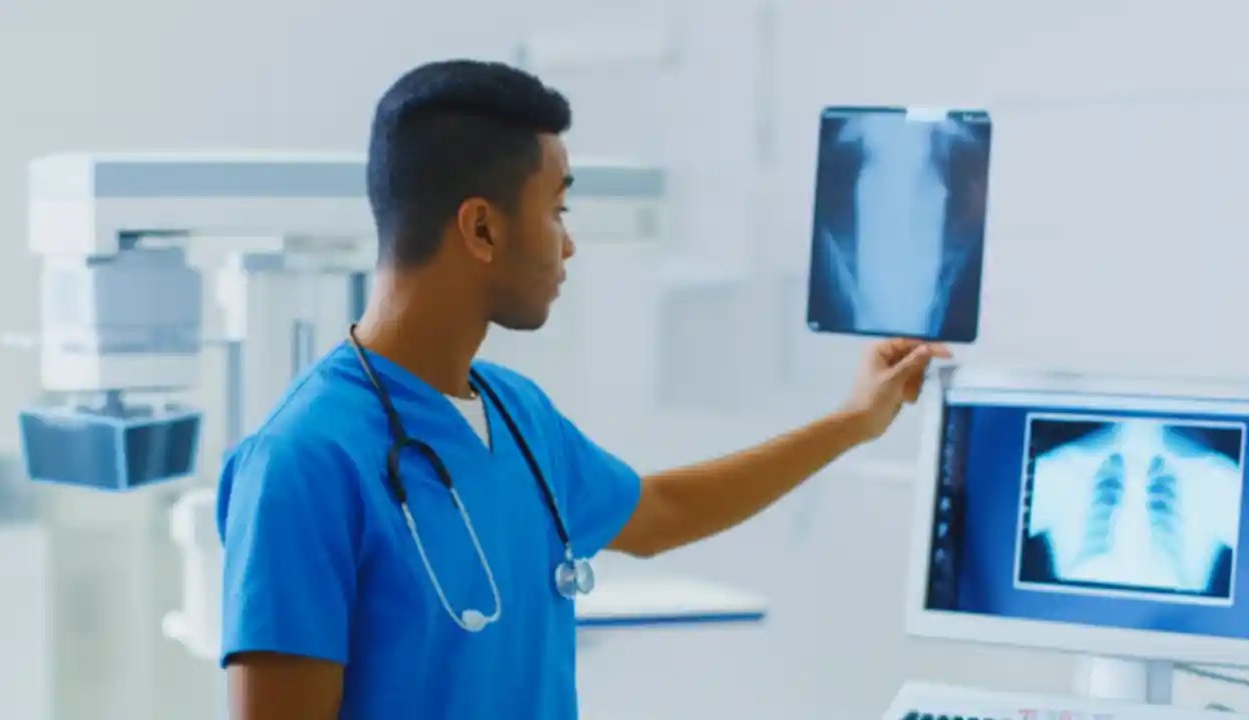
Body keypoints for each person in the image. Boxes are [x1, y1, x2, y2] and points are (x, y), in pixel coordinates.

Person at [217, 58, 952, 720]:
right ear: (481, 229)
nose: (567, 242)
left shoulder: (517, 414)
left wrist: (855, 421)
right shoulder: (302, 464)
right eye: (557, 209)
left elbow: (661, 512)